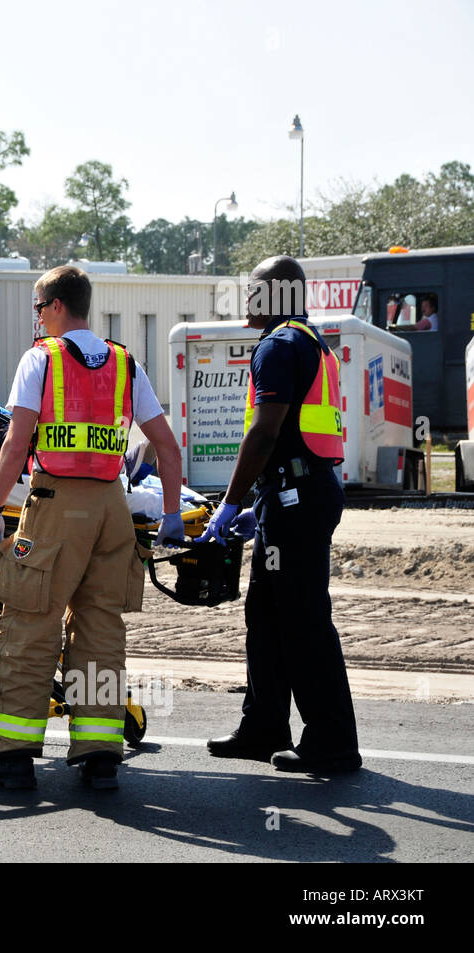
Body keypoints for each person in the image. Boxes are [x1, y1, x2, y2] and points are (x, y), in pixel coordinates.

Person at [0, 265, 184, 791]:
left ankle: (15, 759)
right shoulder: (125, 363)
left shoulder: (40, 359)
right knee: (100, 629)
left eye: (38, 307)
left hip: (57, 505)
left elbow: (16, 442)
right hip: (113, 510)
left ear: (57, 306)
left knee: (29, 623)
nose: (37, 318)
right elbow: (166, 445)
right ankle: (99, 757)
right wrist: (174, 514)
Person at [200, 255, 361, 774]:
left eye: (254, 290)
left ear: (275, 295)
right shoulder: (311, 341)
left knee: (303, 618)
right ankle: (263, 726)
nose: (247, 299)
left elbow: (265, 432)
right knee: (265, 614)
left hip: (296, 497)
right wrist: (260, 503)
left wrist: (230, 501)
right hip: (293, 492)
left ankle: (333, 740)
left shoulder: (279, 345)